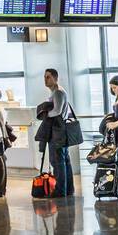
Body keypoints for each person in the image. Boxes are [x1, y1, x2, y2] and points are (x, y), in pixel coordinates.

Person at [39, 68, 76, 197]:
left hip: (58, 131)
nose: (45, 79)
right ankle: (68, 189)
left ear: (55, 78)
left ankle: (60, 190)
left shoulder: (58, 92)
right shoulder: (56, 92)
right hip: (59, 130)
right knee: (64, 160)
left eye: (48, 77)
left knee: (58, 161)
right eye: (44, 77)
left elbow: (57, 111)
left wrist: (44, 113)